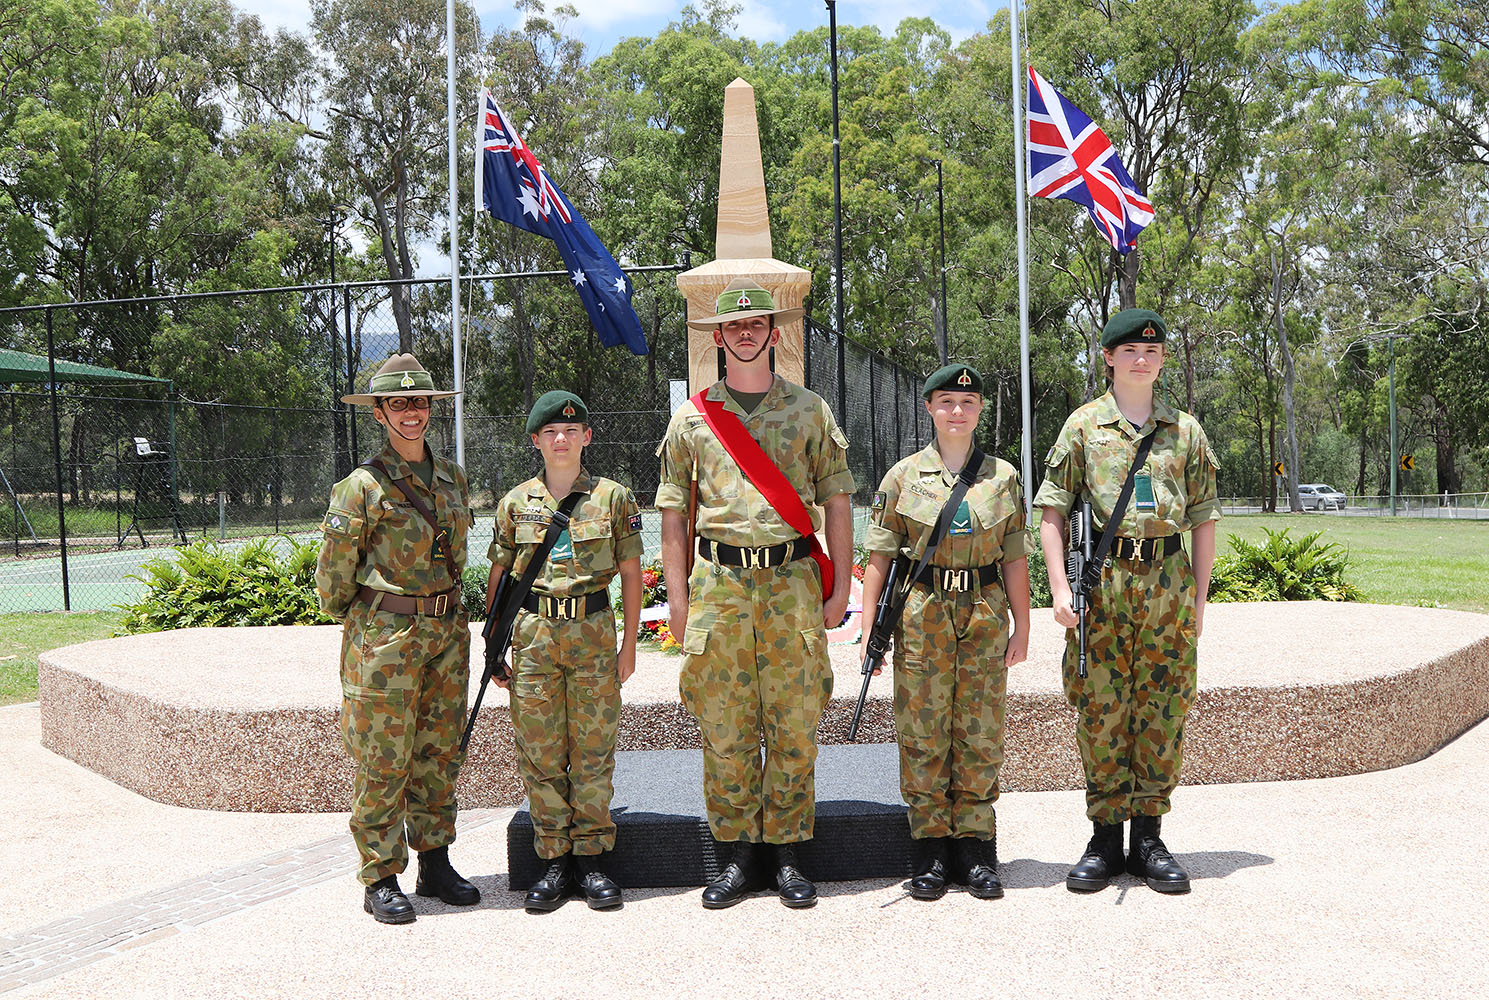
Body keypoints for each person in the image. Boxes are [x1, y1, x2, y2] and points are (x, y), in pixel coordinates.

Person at [656, 277, 855, 909]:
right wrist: (681, 608)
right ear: (718, 337)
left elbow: (838, 498)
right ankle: (738, 854)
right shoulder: (691, 420)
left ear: (775, 333)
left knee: (795, 720)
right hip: (718, 586)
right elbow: (674, 518)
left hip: (792, 584)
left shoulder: (810, 410)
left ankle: (788, 852)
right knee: (725, 725)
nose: (746, 333)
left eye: (757, 324)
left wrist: (841, 586)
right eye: (734, 326)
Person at [1033, 308, 1220, 895]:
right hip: (1104, 582)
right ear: (1109, 358)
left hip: (1167, 580)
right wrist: (1061, 591)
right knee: (1101, 706)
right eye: (1130, 351)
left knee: (1163, 709)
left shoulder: (1185, 430)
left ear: (1162, 360)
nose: (1142, 359)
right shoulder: (1084, 427)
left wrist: (1200, 600)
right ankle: (1104, 839)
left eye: (1153, 351)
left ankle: (1150, 837)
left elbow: (1204, 520)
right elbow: (1053, 512)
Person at [315, 353, 480, 924]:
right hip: (385, 639)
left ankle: (435, 861)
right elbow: (334, 575)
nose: (411, 412)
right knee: (383, 758)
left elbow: (457, 556)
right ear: (380, 413)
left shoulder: (453, 477)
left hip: (446, 633)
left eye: (419, 402)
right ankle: (380, 874)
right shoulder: (360, 487)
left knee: (438, 750)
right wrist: (366, 622)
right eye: (398, 404)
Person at [859, 364, 1033, 901]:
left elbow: (1014, 556)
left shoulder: (1002, 477)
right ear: (930, 408)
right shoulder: (902, 477)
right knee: (923, 730)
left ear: (980, 409)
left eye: (968, 402)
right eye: (946, 403)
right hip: (922, 613)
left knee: (979, 730)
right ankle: (931, 848)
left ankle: (976, 847)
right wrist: (870, 634)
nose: (957, 412)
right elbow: (880, 557)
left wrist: (1022, 626)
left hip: (983, 612)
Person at [486, 390, 643, 913]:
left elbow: (629, 572)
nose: (561, 439)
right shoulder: (514, 503)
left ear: (586, 438)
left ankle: (594, 861)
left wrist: (629, 644)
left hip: (593, 633)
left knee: (594, 750)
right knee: (540, 751)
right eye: (551, 432)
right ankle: (554, 860)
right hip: (533, 637)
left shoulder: (614, 498)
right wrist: (491, 645)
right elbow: (500, 576)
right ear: (535, 440)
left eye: (571, 432)